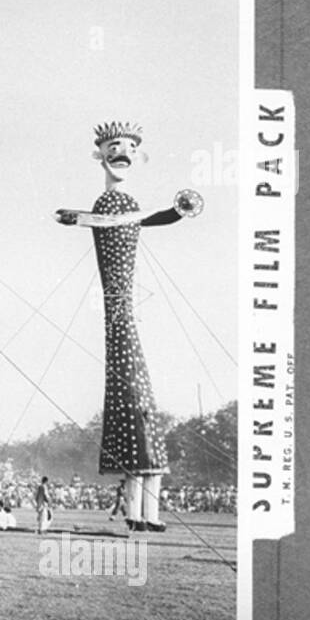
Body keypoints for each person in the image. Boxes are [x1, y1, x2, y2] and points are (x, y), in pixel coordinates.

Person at [56, 121, 202, 533]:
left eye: (130, 147)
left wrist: (176, 212)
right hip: (118, 310)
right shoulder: (107, 204)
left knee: (141, 415)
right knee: (135, 402)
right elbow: (112, 221)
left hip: (123, 312)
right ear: (99, 155)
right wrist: (79, 217)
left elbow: (145, 218)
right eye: (113, 146)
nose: (122, 153)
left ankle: (145, 516)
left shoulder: (126, 206)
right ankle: (139, 516)